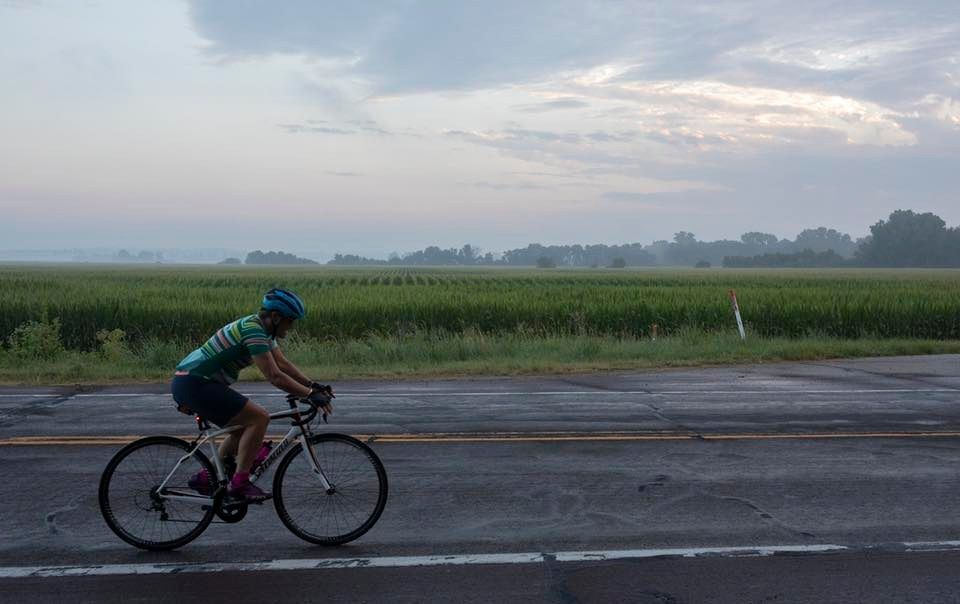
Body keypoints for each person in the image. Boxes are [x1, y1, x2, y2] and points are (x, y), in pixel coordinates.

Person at [171, 288, 333, 501]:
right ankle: (239, 484)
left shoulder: (262, 330)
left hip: (195, 381)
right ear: (275, 317)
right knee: (259, 418)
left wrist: (313, 386)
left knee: (241, 431)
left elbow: (282, 364)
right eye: (290, 321)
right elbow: (274, 376)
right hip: (195, 382)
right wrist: (310, 395)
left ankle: (205, 477)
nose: (291, 327)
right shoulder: (253, 331)